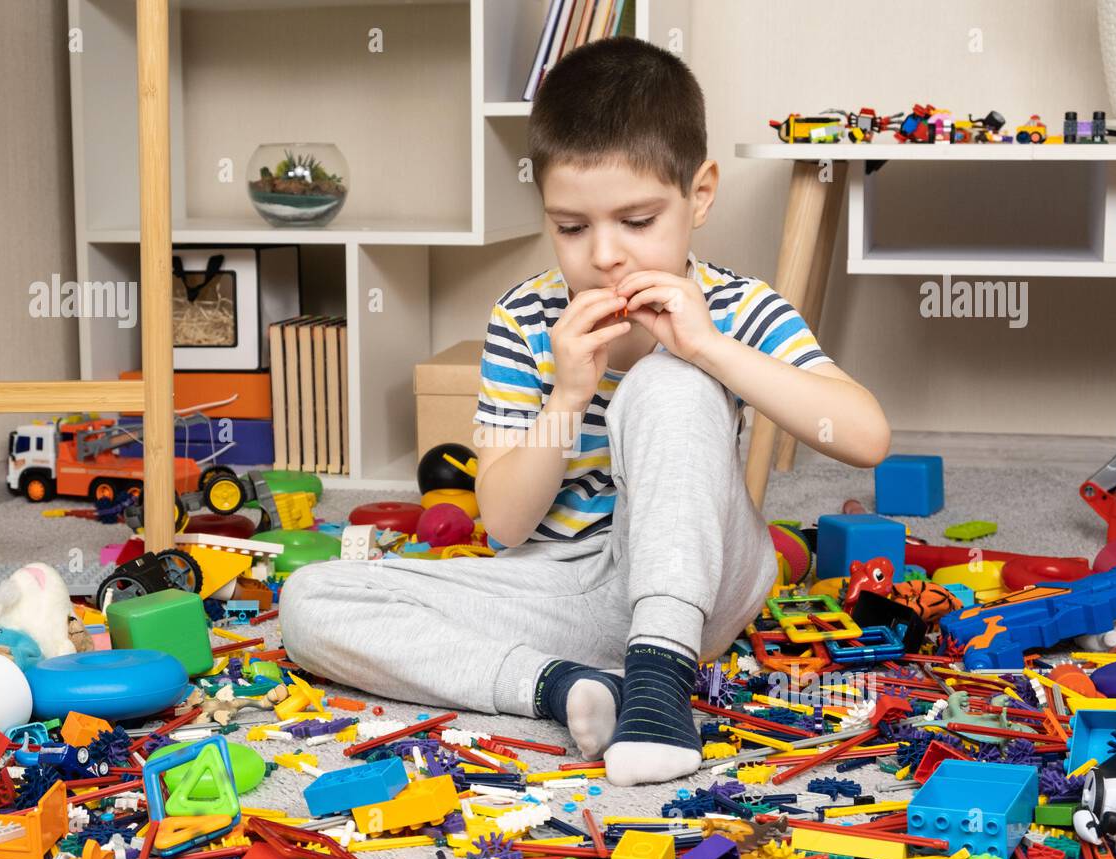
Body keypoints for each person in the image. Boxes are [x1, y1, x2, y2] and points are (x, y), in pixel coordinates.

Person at [280, 36, 890, 786]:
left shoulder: (734, 308)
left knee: (668, 383)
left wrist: (709, 351)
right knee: (310, 600)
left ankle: (662, 678)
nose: (605, 255)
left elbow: (865, 436)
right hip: (567, 591)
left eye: (636, 221)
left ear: (699, 195)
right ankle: (565, 686)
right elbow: (503, 524)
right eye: (572, 227)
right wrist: (567, 394)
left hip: (700, 587)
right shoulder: (524, 317)